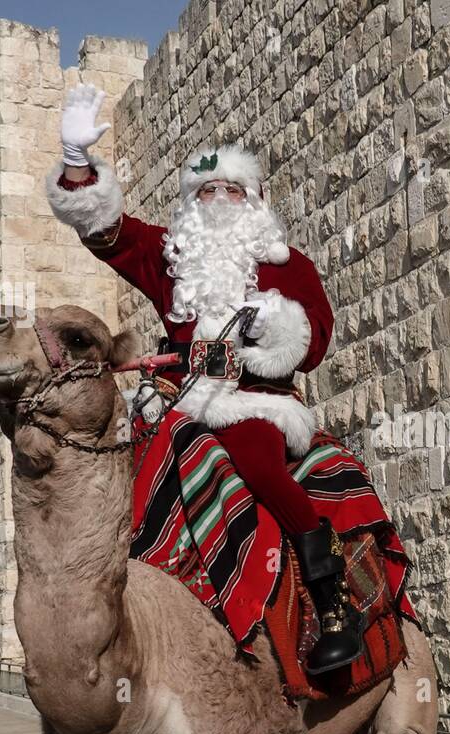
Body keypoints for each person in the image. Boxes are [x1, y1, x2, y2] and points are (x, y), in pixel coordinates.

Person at [45, 84, 364, 674]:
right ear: (191, 203)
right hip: (180, 403)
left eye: (231, 189)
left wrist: (277, 325)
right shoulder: (173, 259)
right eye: (206, 190)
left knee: (258, 463)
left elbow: (315, 342)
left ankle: (331, 601)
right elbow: (107, 232)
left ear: (255, 200)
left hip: (257, 403)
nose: (218, 199)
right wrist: (75, 160)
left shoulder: (290, 268)